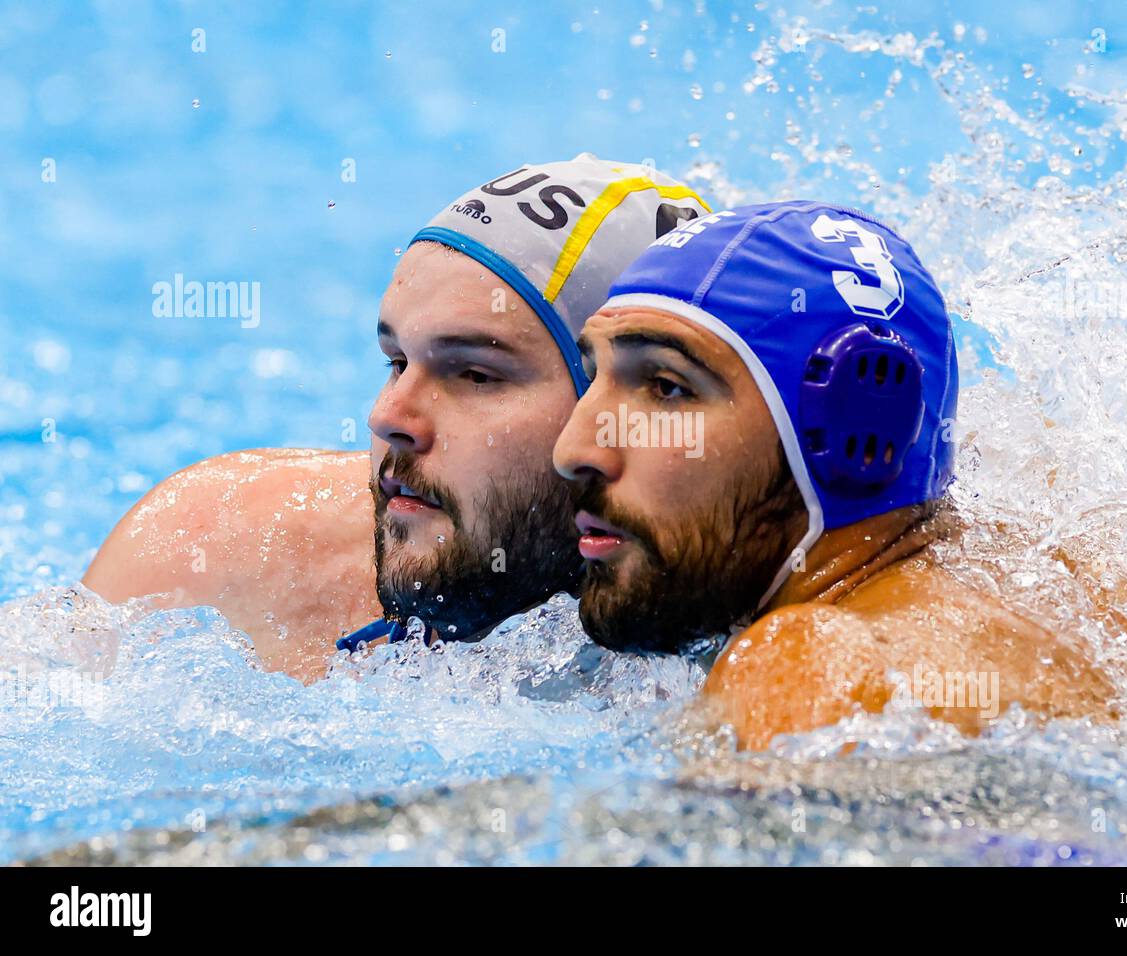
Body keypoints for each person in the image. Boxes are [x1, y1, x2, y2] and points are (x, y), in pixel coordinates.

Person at [84, 155, 710, 679]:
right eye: (396, 360)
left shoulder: (747, 664)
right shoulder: (217, 546)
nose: (389, 417)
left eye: (474, 374)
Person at [553, 202, 1125, 750]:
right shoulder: (1091, 591)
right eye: (593, 375)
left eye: (666, 387)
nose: (573, 449)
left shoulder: (804, 664)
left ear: (853, 428)